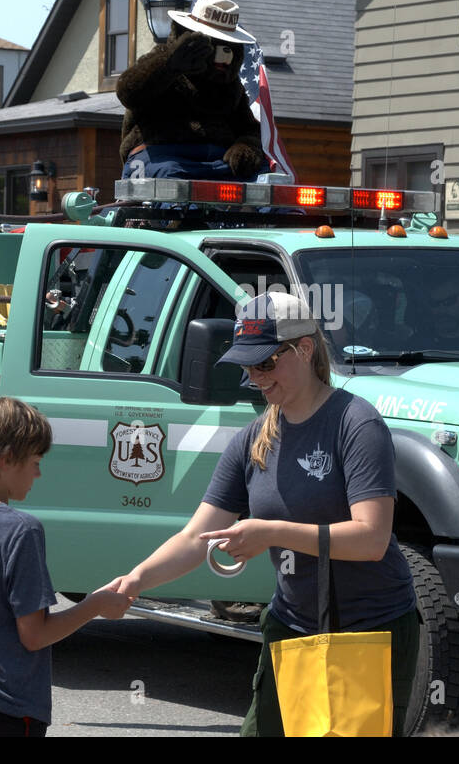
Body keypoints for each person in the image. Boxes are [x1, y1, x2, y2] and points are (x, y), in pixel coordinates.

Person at [108, 292, 419, 736]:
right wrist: (134, 581)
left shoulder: (356, 424)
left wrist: (271, 532)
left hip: (369, 632)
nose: (256, 377)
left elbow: (371, 540)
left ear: (305, 349)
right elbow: (197, 537)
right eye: (248, 367)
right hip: (291, 628)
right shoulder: (252, 439)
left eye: (267, 363)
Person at [0, 396, 131, 737]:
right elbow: (34, 636)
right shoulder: (21, 529)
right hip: (4, 704)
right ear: (6, 460)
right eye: (35, 461)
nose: (38, 472)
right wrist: (95, 605)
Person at [116, 0, 266, 180]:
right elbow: (128, 92)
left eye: (229, 48)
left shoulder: (230, 87)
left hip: (216, 162)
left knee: (263, 180)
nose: (224, 57)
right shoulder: (161, 61)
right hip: (159, 154)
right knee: (170, 179)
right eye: (216, 45)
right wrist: (169, 64)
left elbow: (248, 127)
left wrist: (247, 146)